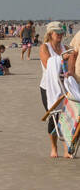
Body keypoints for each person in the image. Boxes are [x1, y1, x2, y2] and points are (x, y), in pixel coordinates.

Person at [38, 22, 75, 158]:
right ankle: (54, 147)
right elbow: (48, 64)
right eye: (57, 32)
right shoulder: (44, 47)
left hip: (64, 87)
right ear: (50, 34)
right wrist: (61, 58)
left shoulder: (65, 48)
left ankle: (67, 149)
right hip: (48, 87)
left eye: (61, 32)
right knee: (54, 118)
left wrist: (70, 68)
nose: (60, 35)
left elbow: (71, 68)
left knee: (67, 117)